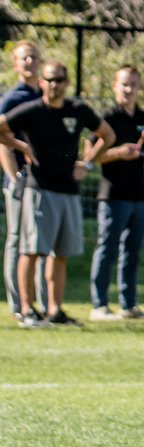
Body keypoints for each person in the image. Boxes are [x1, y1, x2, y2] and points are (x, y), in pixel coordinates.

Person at [0, 59, 114, 328]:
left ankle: (55, 310)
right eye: (49, 80)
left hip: (68, 190)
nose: (54, 85)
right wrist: (22, 147)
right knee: (31, 250)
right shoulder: (31, 110)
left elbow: (107, 135)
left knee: (60, 253)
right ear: (42, 83)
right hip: (39, 189)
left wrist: (87, 163)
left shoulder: (78, 110)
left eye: (59, 80)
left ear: (66, 83)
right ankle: (27, 310)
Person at [89, 63, 144, 321]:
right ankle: (99, 305)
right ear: (114, 86)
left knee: (132, 252)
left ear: (139, 87)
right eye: (124, 84)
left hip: (139, 196)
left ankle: (128, 304)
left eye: (133, 84)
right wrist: (118, 152)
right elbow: (90, 156)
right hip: (113, 194)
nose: (129, 89)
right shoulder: (107, 118)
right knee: (107, 249)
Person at [2, 40, 45, 320]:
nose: (29, 62)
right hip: (19, 180)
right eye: (23, 58)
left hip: (41, 182)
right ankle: (18, 305)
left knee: (38, 243)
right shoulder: (13, 97)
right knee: (17, 240)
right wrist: (13, 176)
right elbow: (2, 142)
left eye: (33, 57)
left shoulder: (43, 94)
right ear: (15, 64)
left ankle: (40, 304)